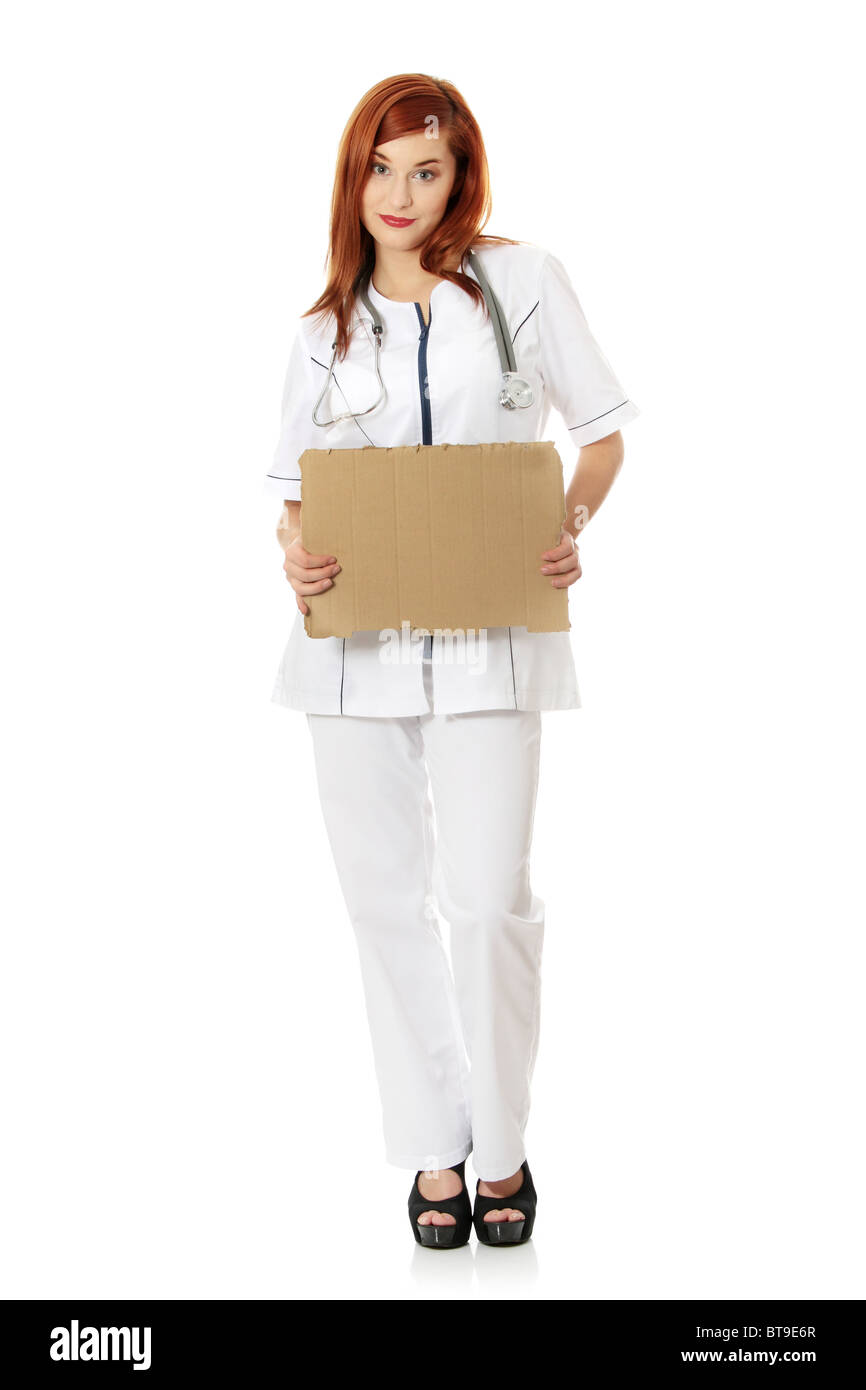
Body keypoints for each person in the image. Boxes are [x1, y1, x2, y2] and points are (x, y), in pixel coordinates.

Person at [265, 73, 639, 1248]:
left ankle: (504, 1147)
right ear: (353, 176)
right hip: (353, 658)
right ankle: (434, 1144)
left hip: (490, 635)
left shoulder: (521, 285)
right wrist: (296, 558)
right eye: (380, 167)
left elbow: (600, 434)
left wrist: (568, 523)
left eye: (424, 169)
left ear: (459, 173)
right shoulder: (321, 331)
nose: (400, 193)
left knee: (487, 901)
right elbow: (293, 497)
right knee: (384, 903)